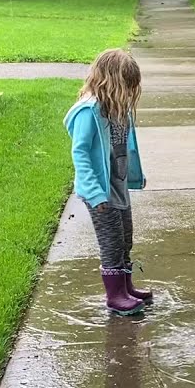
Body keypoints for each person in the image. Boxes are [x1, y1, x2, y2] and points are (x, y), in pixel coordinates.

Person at [65, 49, 153, 316]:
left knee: (125, 238)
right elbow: (80, 153)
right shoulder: (88, 111)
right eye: (126, 86)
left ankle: (126, 288)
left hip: (118, 187)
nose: (129, 93)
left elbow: (126, 147)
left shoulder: (116, 108)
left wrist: (133, 176)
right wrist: (94, 192)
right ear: (110, 81)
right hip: (100, 191)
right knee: (111, 242)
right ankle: (115, 296)